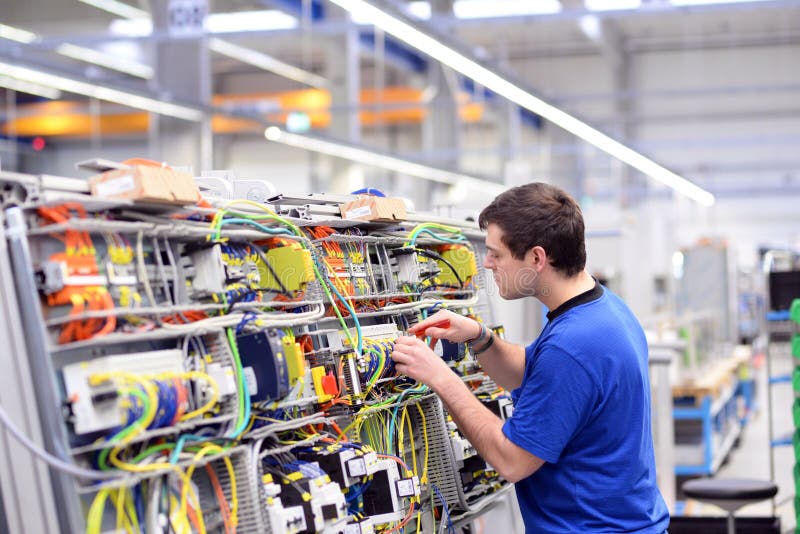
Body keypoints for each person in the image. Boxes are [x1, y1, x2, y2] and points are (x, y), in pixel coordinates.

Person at [391, 183, 670, 533]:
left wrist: (442, 379)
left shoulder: (572, 346)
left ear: (537, 258)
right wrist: (479, 337)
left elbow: (511, 460)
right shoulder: (600, 310)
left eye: (496, 254)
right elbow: (527, 373)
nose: (487, 263)